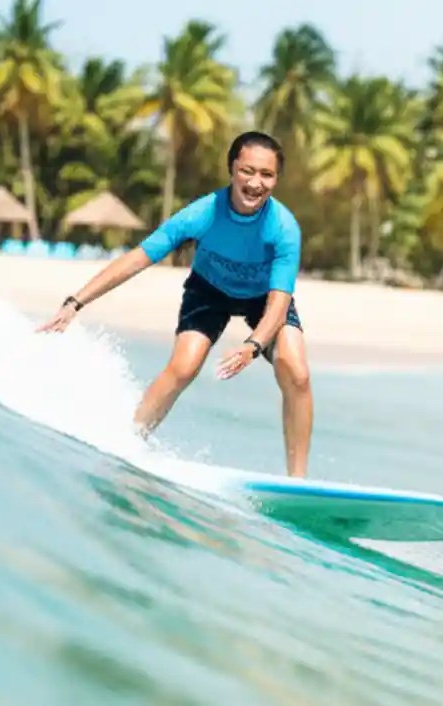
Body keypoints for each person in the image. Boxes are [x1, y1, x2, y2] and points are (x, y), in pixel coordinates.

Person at [36, 130, 313, 478]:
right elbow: (137, 258)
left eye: (267, 175)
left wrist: (254, 344)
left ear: (276, 179)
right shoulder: (202, 213)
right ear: (232, 169)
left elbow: (279, 301)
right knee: (183, 366)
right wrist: (75, 302)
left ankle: (297, 481)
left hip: (264, 298)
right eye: (247, 171)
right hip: (209, 290)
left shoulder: (284, 227)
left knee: (296, 371)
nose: (256, 183)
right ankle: (128, 442)